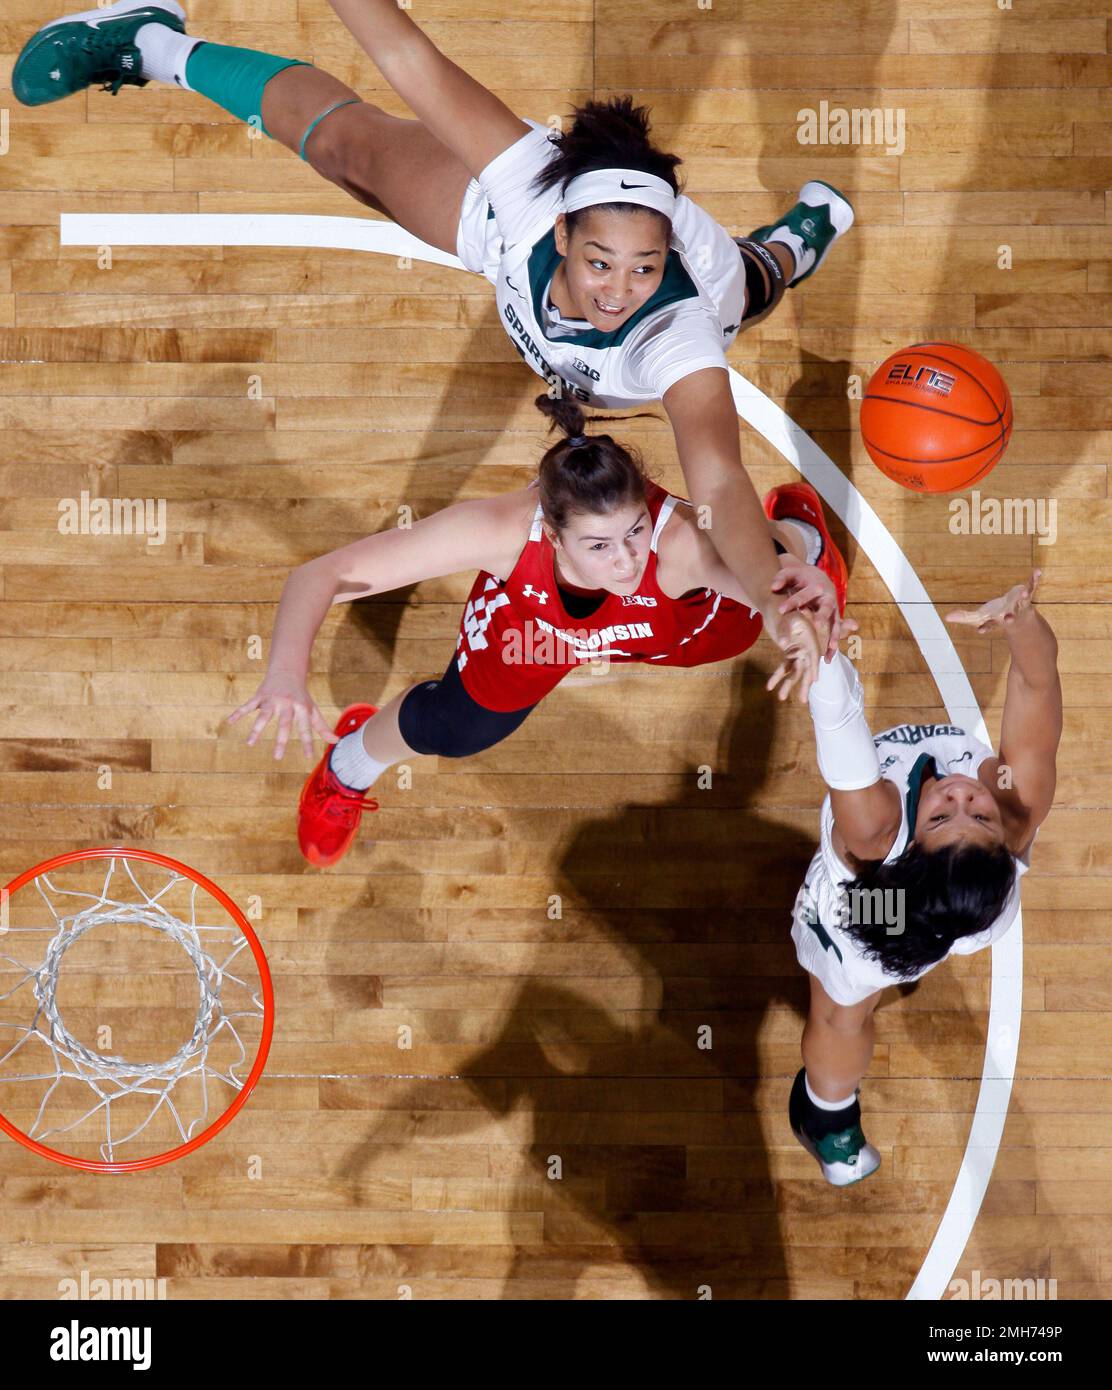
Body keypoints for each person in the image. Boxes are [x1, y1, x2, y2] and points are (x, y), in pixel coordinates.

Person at [14, 0, 857, 699]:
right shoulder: (528, 183)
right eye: (599, 263)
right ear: (562, 228)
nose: (616, 290)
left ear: (664, 257)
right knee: (355, 153)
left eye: (640, 270)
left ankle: (789, 246)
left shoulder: (676, 332)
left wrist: (778, 597)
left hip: (709, 290)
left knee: (745, 288)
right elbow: (410, 58)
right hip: (505, 243)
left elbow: (719, 478)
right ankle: (149, 41)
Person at [227, 392, 852, 867]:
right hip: (539, 630)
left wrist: (796, 611)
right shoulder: (500, 531)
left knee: (758, 573)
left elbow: (761, 589)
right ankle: (348, 764)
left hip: (679, 622)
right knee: (458, 727)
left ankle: (799, 525)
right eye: (600, 545)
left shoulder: (677, 547)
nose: (627, 560)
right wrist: (285, 674)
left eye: (634, 532)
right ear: (552, 534)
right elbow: (322, 575)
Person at [788, 570, 1061, 1186]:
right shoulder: (1017, 806)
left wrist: (822, 641)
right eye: (979, 815)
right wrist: (1022, 624)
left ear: (911, 840)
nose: (966, 793)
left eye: (942, 814)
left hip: (867, 909)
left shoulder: (874, 829)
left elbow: (839, 722)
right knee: (893, 963)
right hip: (966, 911)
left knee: (844, 1006)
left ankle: (824, 1119)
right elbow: (1036, 681)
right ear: (1004, 835)